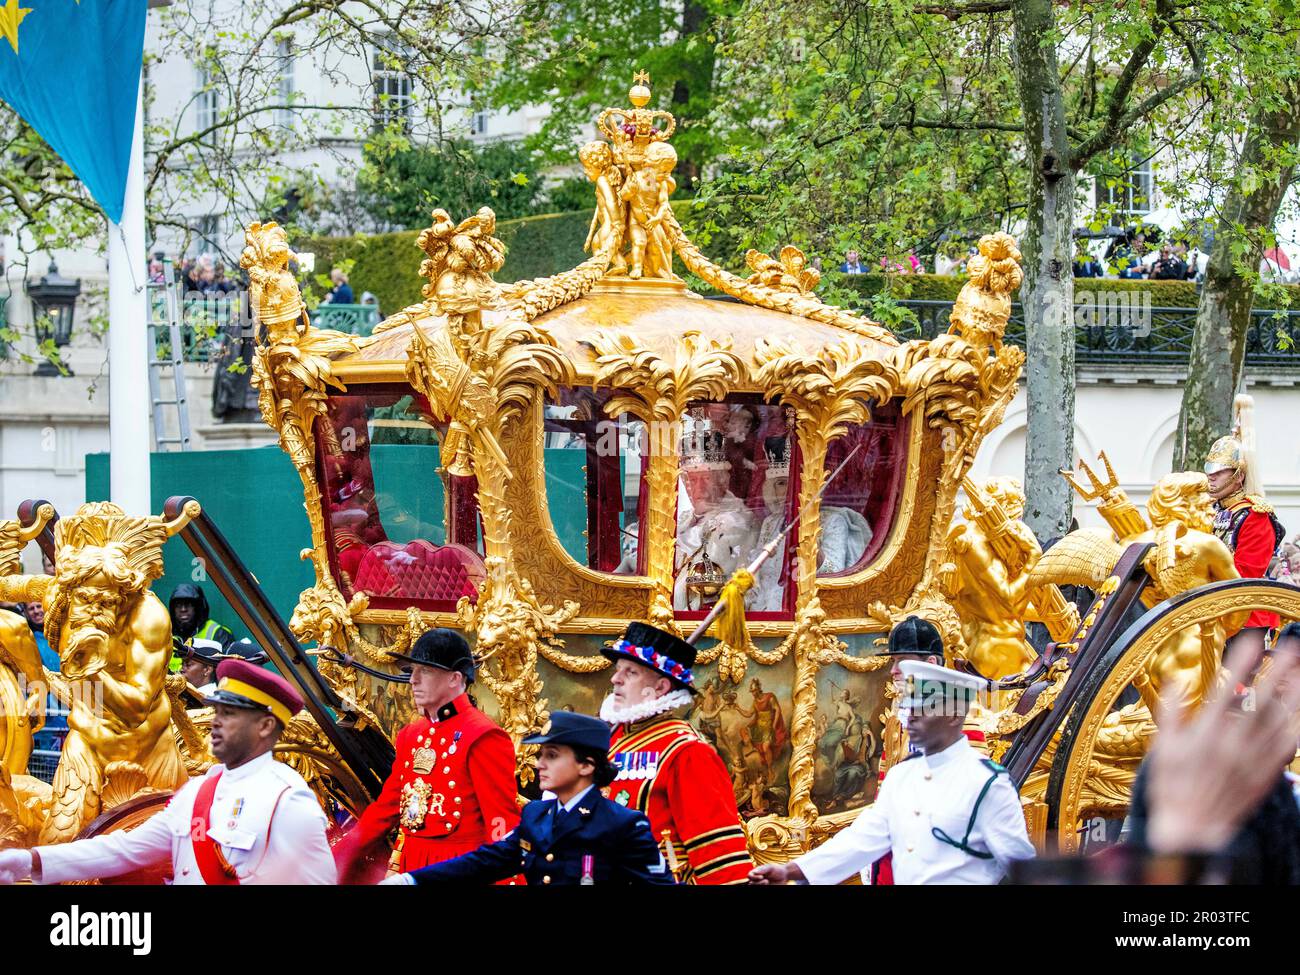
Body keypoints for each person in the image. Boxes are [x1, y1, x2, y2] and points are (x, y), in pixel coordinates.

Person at [0, 659, 337, 885]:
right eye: (216, 711)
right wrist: (29, 861)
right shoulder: (198, 792)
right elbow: (125, 849)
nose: (216, 723)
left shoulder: (288, 803)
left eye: (230, 715)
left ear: (265, 726)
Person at [749, 660, 1034, 885]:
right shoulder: (902, 777)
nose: (910, 719)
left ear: (953, 716)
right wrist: (791, 871)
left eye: (922, 710)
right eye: (908, 709)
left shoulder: (986, 783)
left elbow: (1022, 867)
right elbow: (861, 840)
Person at [383, 711, 674, 886]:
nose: (539, 764)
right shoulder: (537, 815)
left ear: (586, 765)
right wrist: (411, 879)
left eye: (552, 755)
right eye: (540, 755)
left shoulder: (622, 825)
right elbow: (485, 862)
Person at [333, 628, 520, 884]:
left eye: (426, 671)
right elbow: (386, 809)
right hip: (411, 869)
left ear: (455, 678)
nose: (413, 680)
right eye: (412, 671)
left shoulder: (483, 736)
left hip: (456, 874)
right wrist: (337, 858)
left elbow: (502, 824)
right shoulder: (412, 734)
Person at [600, 621, 754, 884]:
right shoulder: (612, 738)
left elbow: (719, 856)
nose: (616, 678)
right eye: (618, 670)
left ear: (660, 688)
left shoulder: (689, 753)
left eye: (631, 672)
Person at [1204, 395, 1287, 639]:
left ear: (1238, 475)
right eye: (1211, 471)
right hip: (1209, 608)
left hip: (1245, 617)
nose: (1212, 477)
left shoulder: (1255, 515)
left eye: (1220, 472)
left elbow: (1246, 573)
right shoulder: (1212, 509)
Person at [168, 583, 235, 658]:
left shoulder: (218, 634)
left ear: (198, 607)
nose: (183, 609)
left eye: (188, 604)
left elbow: (226, 666)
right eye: (178, 605)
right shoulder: (166, 634)